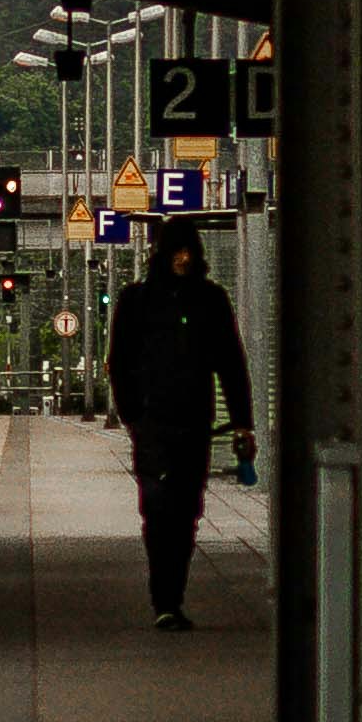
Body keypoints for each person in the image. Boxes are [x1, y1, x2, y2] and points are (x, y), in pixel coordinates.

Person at [105, 223, 255, 626]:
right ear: (163, 254)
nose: (184, 258)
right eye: (177, 251)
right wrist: (132, 414)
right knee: (157, 508)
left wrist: (243, 423)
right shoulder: (135, 302)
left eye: (189, 251)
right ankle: (164, 600)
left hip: (196, 424)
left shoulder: (212, 301)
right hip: (153, 425)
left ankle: (174, 596)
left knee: (187, 511)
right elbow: (118, 362)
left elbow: (231, 364)